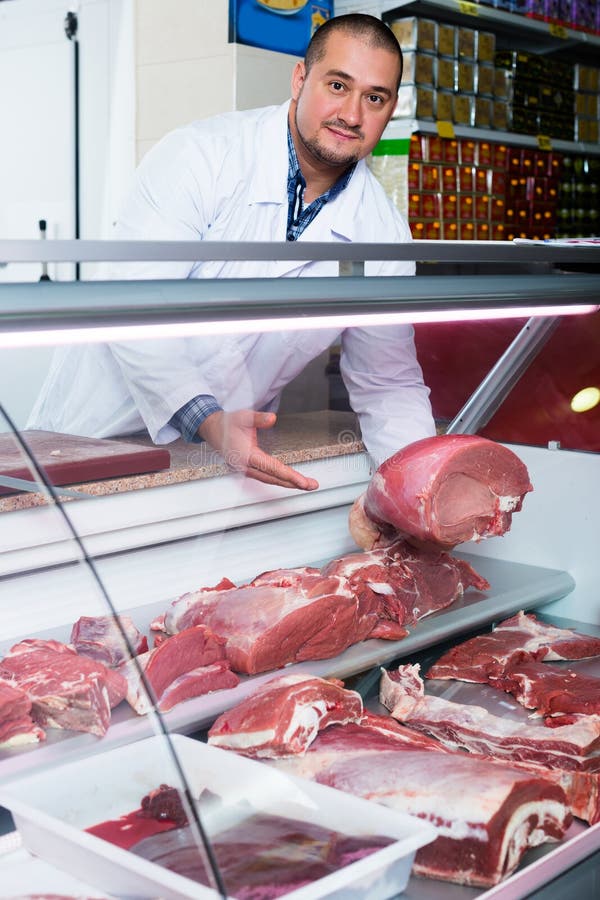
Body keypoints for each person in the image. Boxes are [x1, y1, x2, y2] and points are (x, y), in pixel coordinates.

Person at [29, 13, 435, 490]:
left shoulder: (382, 231)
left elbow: (387, 384)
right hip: (90, 440)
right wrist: (208, 418)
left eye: (374, 97)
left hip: (220, 459)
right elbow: (131, 309)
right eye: (338, 85)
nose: (352, 115)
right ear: (301, 78)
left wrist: (421, 491)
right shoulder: (201, 156)